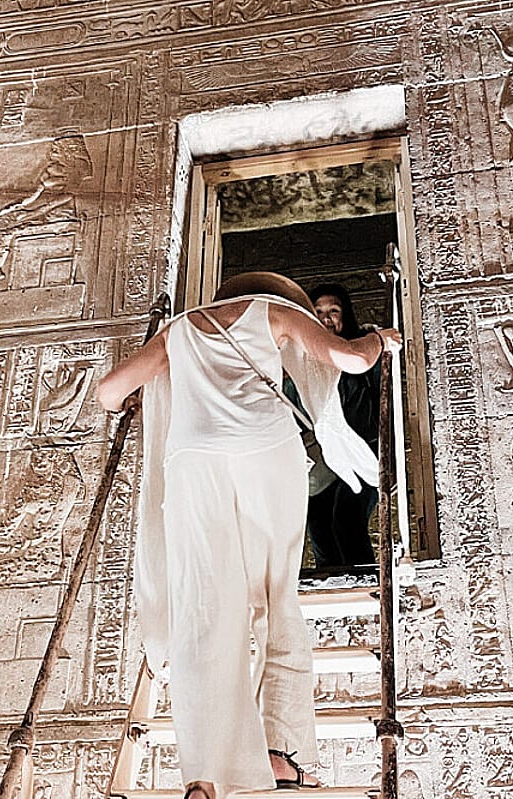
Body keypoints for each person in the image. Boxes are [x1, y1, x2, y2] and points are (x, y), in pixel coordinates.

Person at [97, 272, 402, 799]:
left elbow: (108, 393)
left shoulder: (180, 328)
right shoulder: (273, 313)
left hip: (193, 467)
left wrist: (145, 400)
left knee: (204, 611)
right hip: (265, 457)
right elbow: (350, 359)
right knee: (273, 597)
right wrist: (380, 339)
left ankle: (202, 777)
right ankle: (278, 754)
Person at [306, 284, 381, 568]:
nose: (326, 318)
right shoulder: (304, 356)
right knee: (319, 524)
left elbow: (380, 395)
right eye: (319, 312)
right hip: (322, 456)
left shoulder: (361, 345)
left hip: (363, 448)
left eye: (333, 311)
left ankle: (364, 583)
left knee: (346, 517)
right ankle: (331, 585)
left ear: (344, 315)